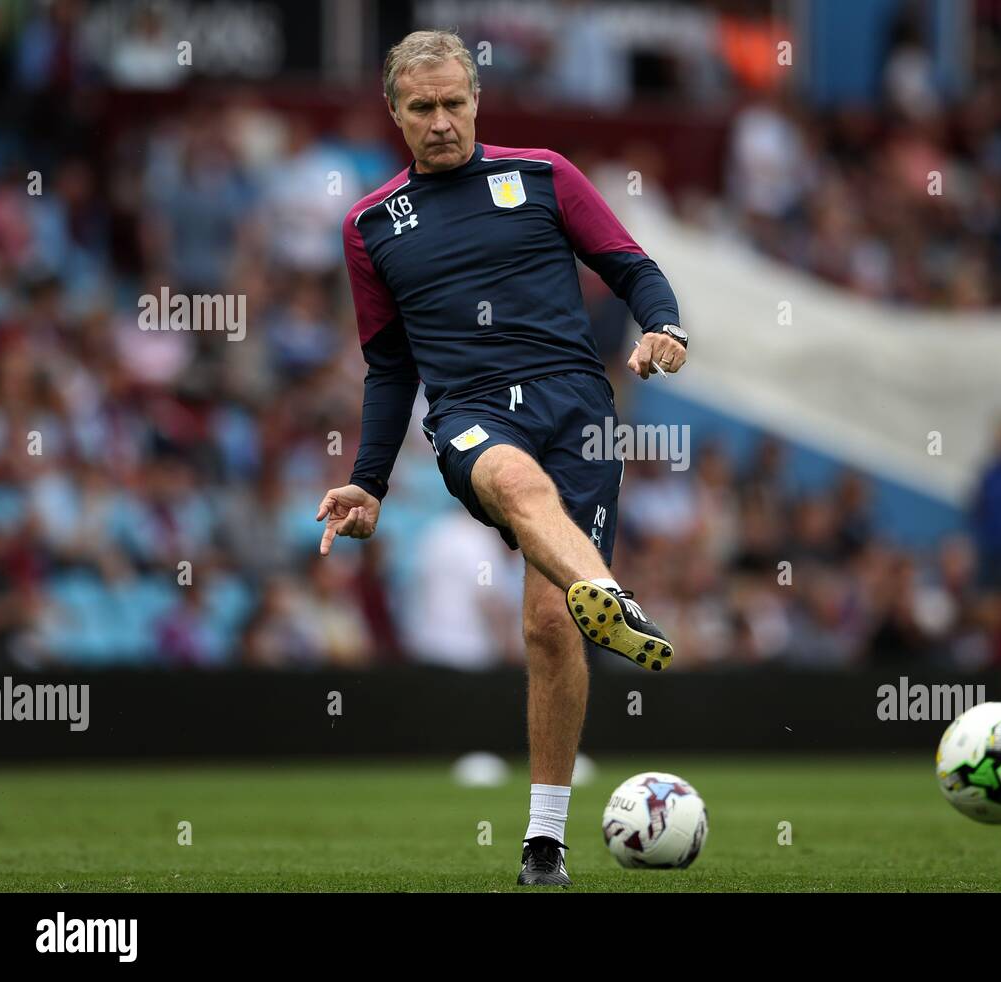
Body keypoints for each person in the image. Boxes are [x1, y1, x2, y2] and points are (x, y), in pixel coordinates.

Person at [315, 30, 688, 887]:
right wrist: (368, 482)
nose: (441, 121)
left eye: (454, 103)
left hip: (577, 406)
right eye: (422, 107)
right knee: (515, 482)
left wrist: (664, 329)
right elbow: (388, 364)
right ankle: (608, 591)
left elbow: (632, 268)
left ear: (477, 100)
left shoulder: (547, 175)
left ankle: (544, 846)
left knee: (550, 628)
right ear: (395, 113)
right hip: (471, 413)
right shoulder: (371, 226)